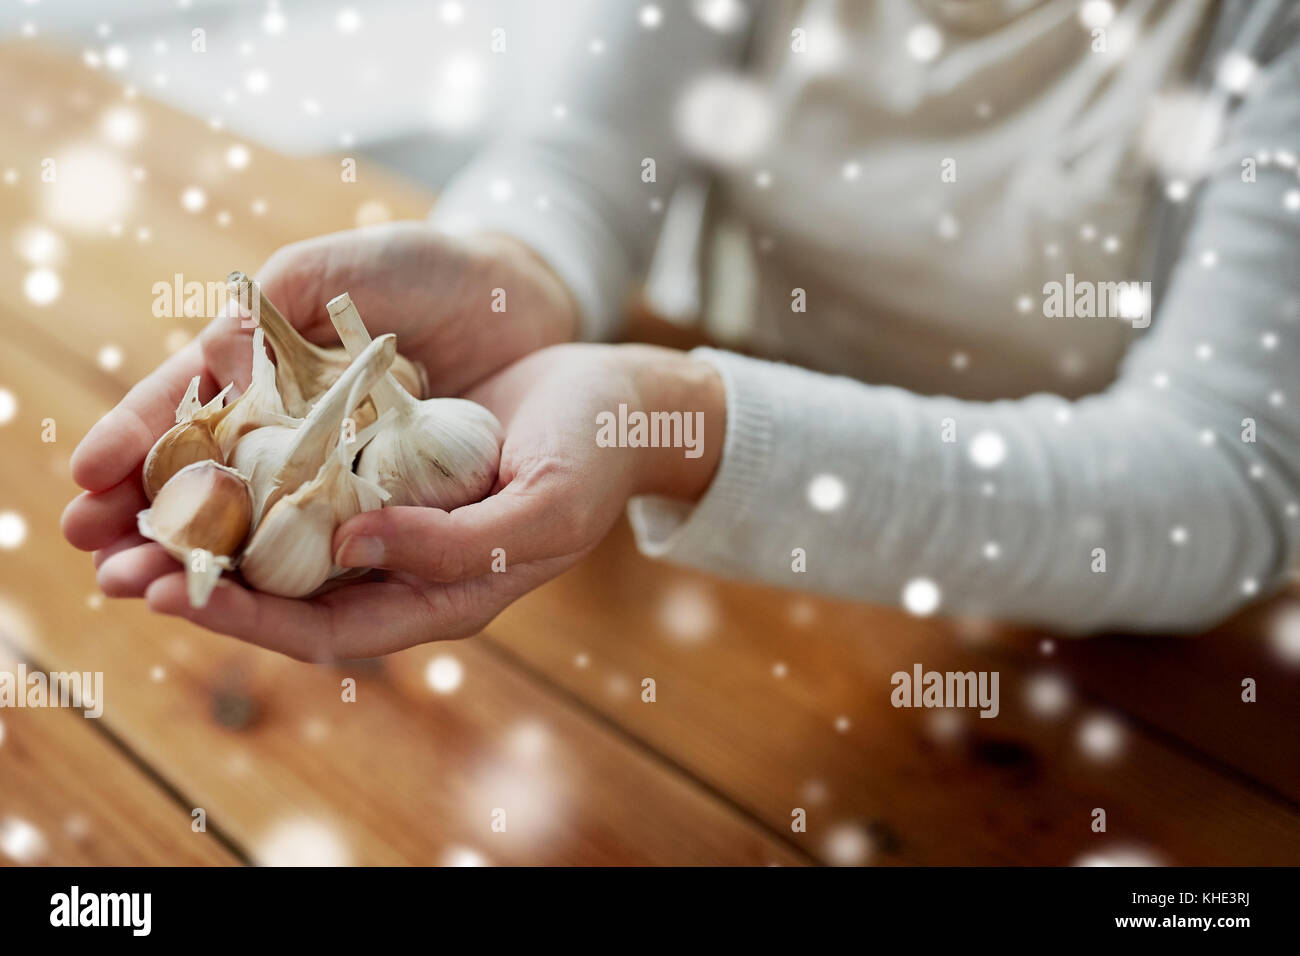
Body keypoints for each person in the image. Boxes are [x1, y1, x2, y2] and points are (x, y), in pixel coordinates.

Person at [63, 1, 1300, 660]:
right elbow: (585, 163)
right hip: (738, 572)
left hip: (1121, 644)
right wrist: (509, 275)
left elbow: (1221, 481)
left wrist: (678, 423)